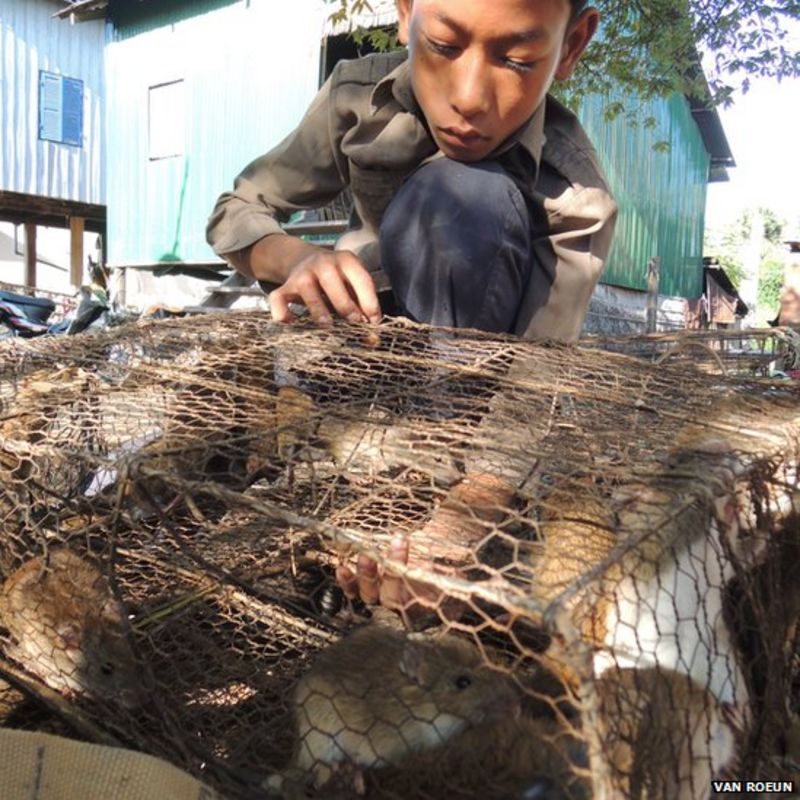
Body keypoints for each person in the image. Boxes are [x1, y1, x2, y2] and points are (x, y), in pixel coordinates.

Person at [206, 0, 617, 616]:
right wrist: (293, 257)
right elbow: (235, 210)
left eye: (516, 59)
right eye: (444, 47)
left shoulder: (576, 198)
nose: (469, 97)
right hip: (359, 361)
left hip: (471, 408)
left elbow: (534, 390)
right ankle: (352, 489)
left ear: (573, 44)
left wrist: (455, 527)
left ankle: (424, 495)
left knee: (461, 197)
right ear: (405, 14)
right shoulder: (356, 99)